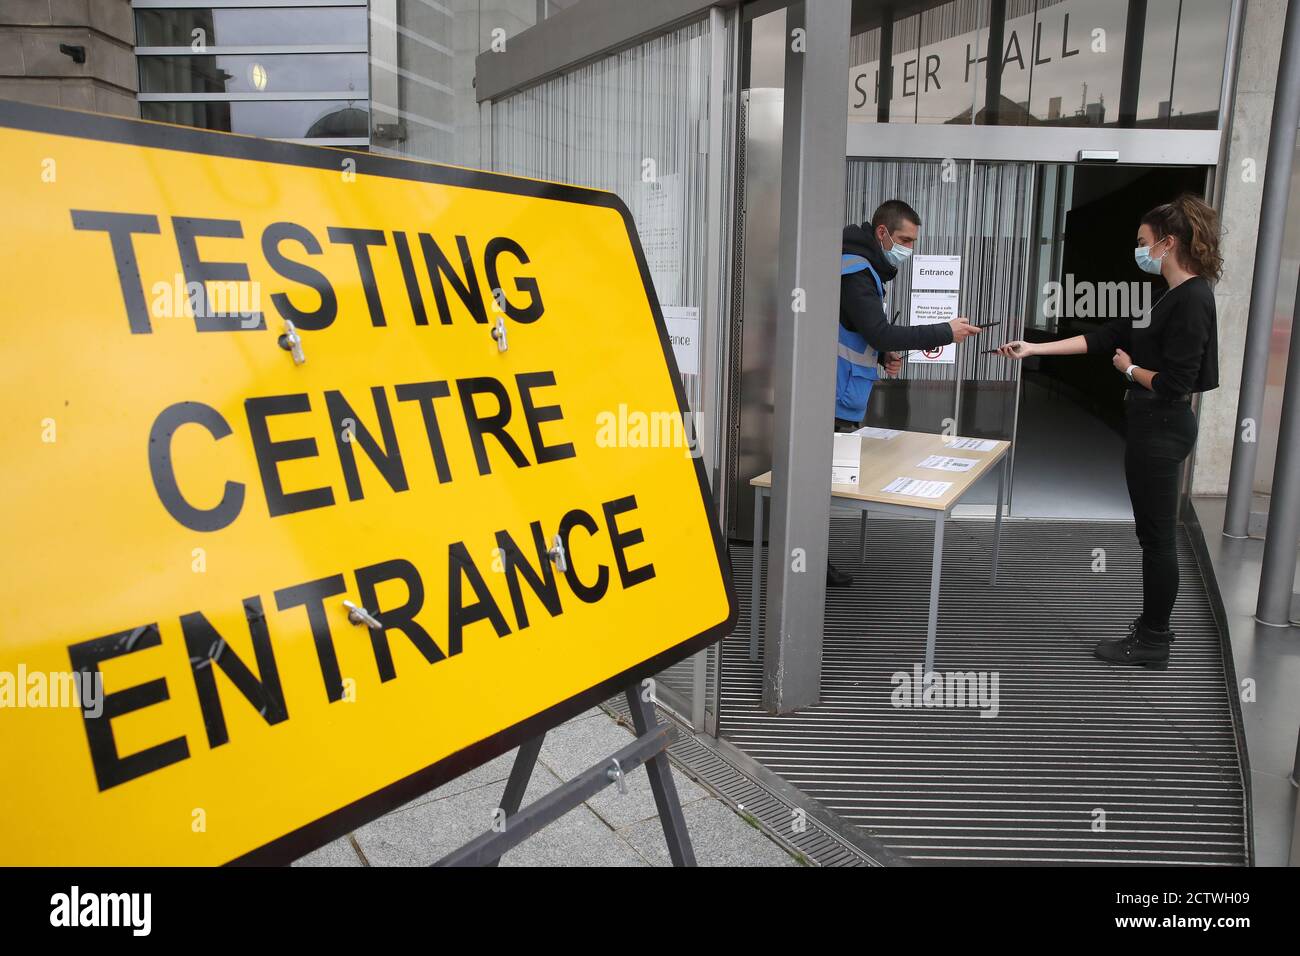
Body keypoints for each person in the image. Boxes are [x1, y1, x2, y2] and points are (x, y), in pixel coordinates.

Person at [997, 193, 1221, 669]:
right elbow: (1104, 337)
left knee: (1159, 539)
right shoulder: (1166, 294)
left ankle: (1154, 639)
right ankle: (1151, 629)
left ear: (1168, 241)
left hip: (1163, 427)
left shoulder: (1194, 297)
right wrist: (1033, 349)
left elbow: (1178, 381)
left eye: (1143, 242)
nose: (1138, 251)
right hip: (1151, 426)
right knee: (1151, 535)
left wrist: (1128, 370)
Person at [827, 199, 982, 587]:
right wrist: (945, 331)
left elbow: (858, 331)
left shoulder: (862, 268)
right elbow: (878, 329)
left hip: (843, 392)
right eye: (904, 240)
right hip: (831, 398)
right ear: (882, 233)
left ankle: (813, 560)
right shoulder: (856, 271)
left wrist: (881, 355)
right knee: (822, 486)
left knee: (826, 485)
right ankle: (809, 563)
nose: (908, 249)